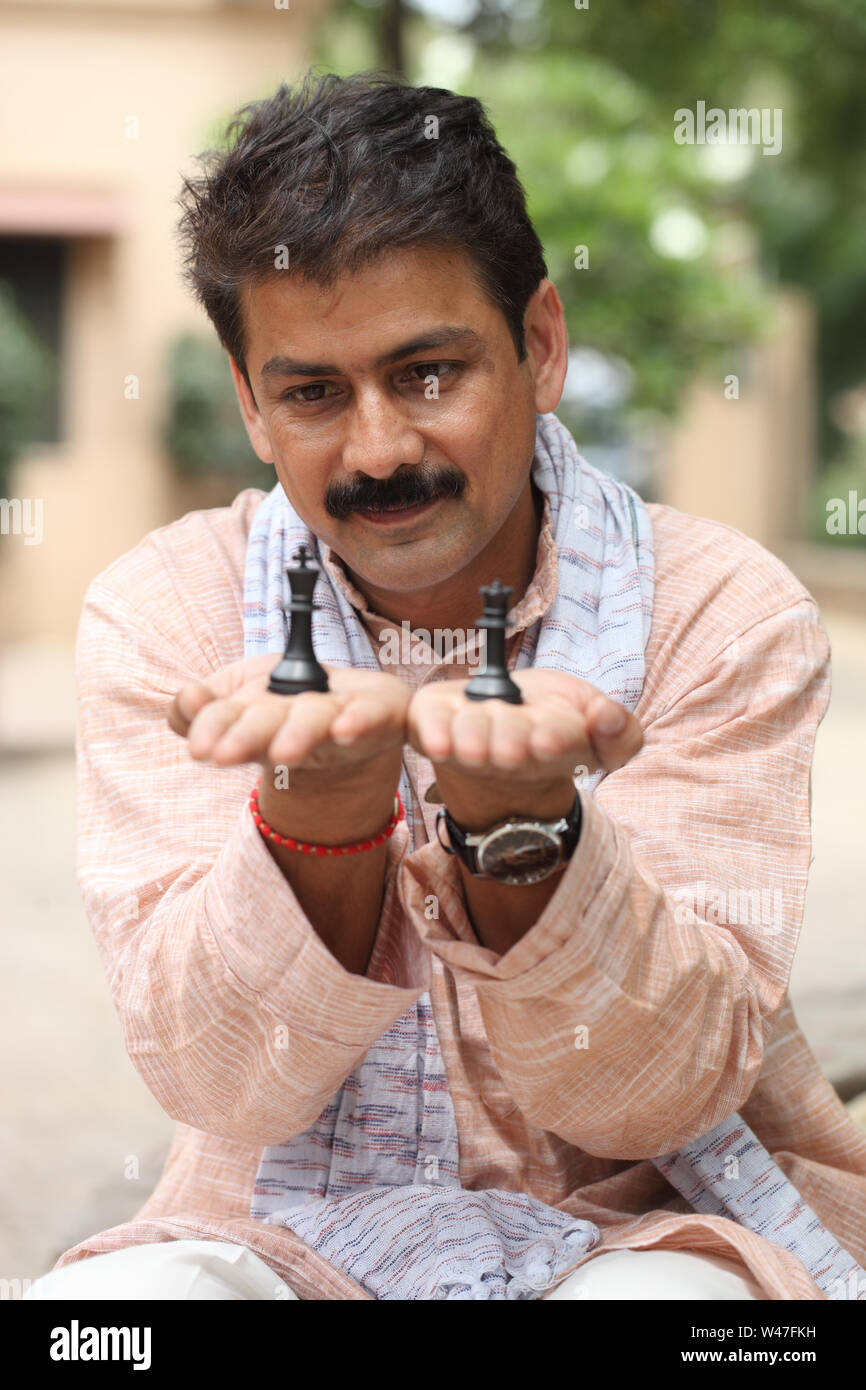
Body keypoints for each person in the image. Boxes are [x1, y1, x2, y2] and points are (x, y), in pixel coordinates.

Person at [26, 69, 866, 1302]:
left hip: (658, 1223)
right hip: (277, 1228)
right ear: (250, 400)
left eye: (427, 373)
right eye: (313, 392)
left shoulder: (715, 612)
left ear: (538, 344)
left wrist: (519, 831)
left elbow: (662, 1093)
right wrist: (315, 822)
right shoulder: (165, 614)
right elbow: (224, 1086)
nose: (378, 451)